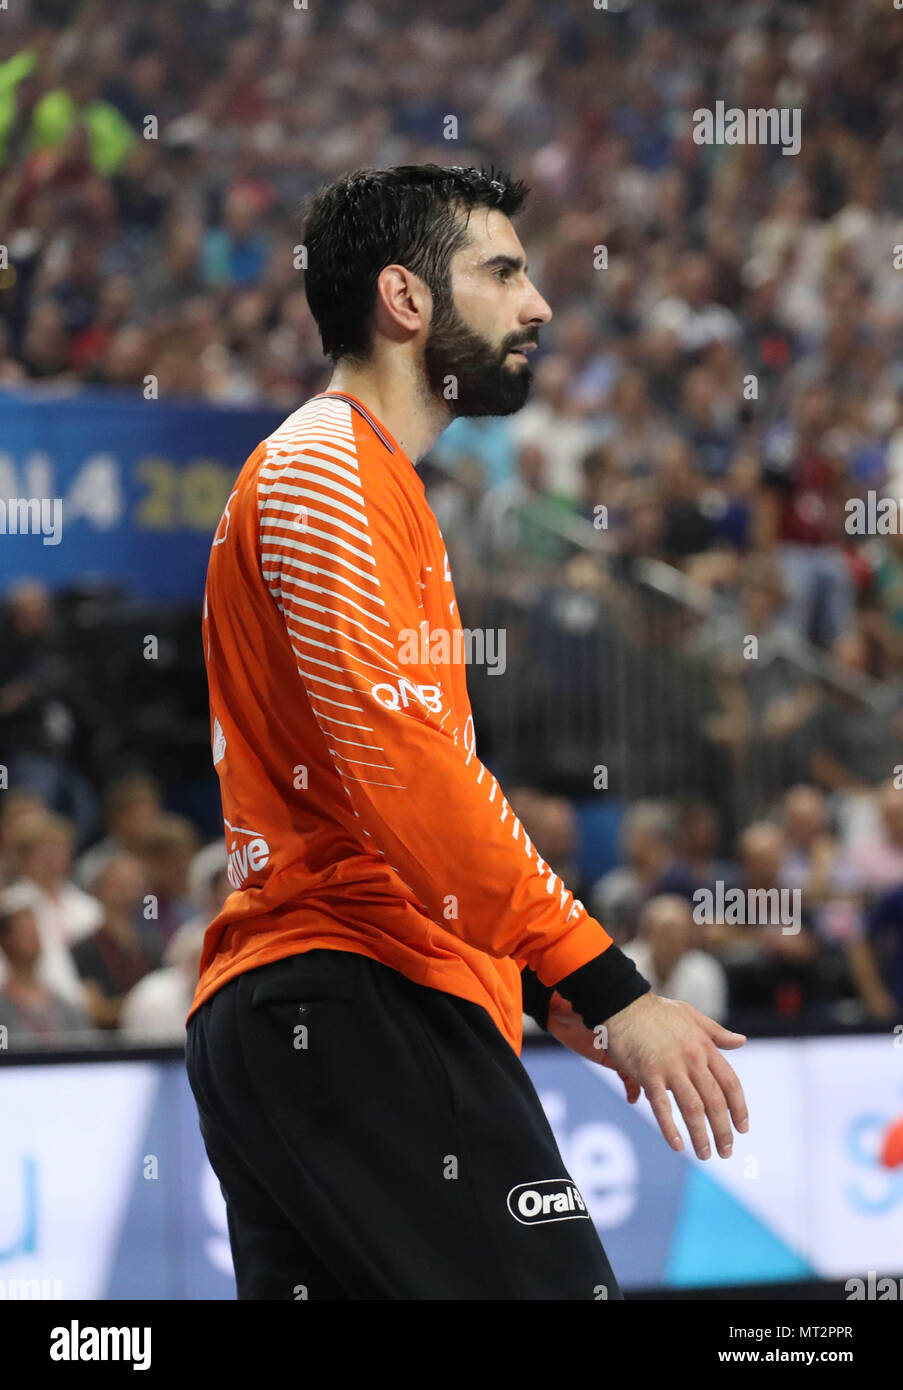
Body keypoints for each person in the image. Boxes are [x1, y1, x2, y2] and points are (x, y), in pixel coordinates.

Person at [185, 164, 748, 1302]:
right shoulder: (327, 466)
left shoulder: (368, 481)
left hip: (312, 1004)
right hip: (359, 996)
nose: (538, 303)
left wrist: (536, 988)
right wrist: (603, 981)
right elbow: (414, 777)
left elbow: (389, 790)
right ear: (404, 299)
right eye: (502, 271)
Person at [0, 883, 95, 1046]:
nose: (32, 937)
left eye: (34, 930)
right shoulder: (4, 1008)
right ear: (5, 940)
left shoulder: (66, 1006)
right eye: (23, 932)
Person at [623, 895, 728, 1022]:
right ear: (647, 934)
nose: (670, 942)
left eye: (678, 933)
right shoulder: (623, 966)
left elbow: (712, 1024)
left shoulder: (706, 970)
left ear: (689, 937)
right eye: (665, 932)